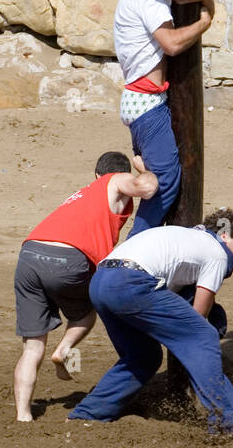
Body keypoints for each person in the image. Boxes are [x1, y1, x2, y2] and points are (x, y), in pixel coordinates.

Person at [67, 208, 233, 433]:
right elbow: (197, 318)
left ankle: (87, 415)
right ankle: (229, 423)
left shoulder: (186, 238)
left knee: (143, 356)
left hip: (100, 282)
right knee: (203, 336)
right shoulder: (217, 253)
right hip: (131, 282)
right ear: (224, 235)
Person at [13, 152, 159, 422]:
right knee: (86, 313)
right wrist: (144, 168)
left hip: (29, 254)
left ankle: (23, 415)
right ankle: (64, 350)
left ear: (93, 174)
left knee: (32, 348)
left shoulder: (83, 193)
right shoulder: (115, 180)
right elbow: (147, 187)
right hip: (68, 258)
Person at [115, 0, 214, 235]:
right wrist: (205, 21)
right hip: (146, 103)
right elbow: (170, 44)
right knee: (166, 181)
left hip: (143, 100)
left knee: (155, 178)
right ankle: (133, 251)